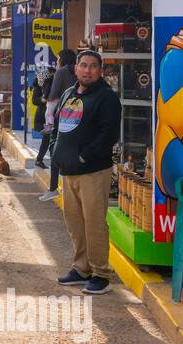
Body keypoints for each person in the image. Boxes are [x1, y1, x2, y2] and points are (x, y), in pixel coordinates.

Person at [53, 49, 121, 295]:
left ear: (100, 70)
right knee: (75, 223)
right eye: (83, 65)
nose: (88, 70)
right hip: (69, 171)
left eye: (93, 66)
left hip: (93, 171)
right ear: (76, 68)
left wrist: (84, 156)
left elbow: (108, 135)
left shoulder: (107, 98)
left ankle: (100, 272)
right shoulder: (69, 93)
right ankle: (81, 268)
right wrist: (56, 150)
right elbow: (61, 127)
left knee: (94, 223)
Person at [38, 49, 77, 203]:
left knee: (55, 151)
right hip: (78, 116)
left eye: (58, 58)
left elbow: (53, 94)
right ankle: (69, 189)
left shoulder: (61, 72)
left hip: (63, 117)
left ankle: (53, 188)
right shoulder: (77, 71)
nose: (57, 60)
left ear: (63, 59)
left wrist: (46, 96)